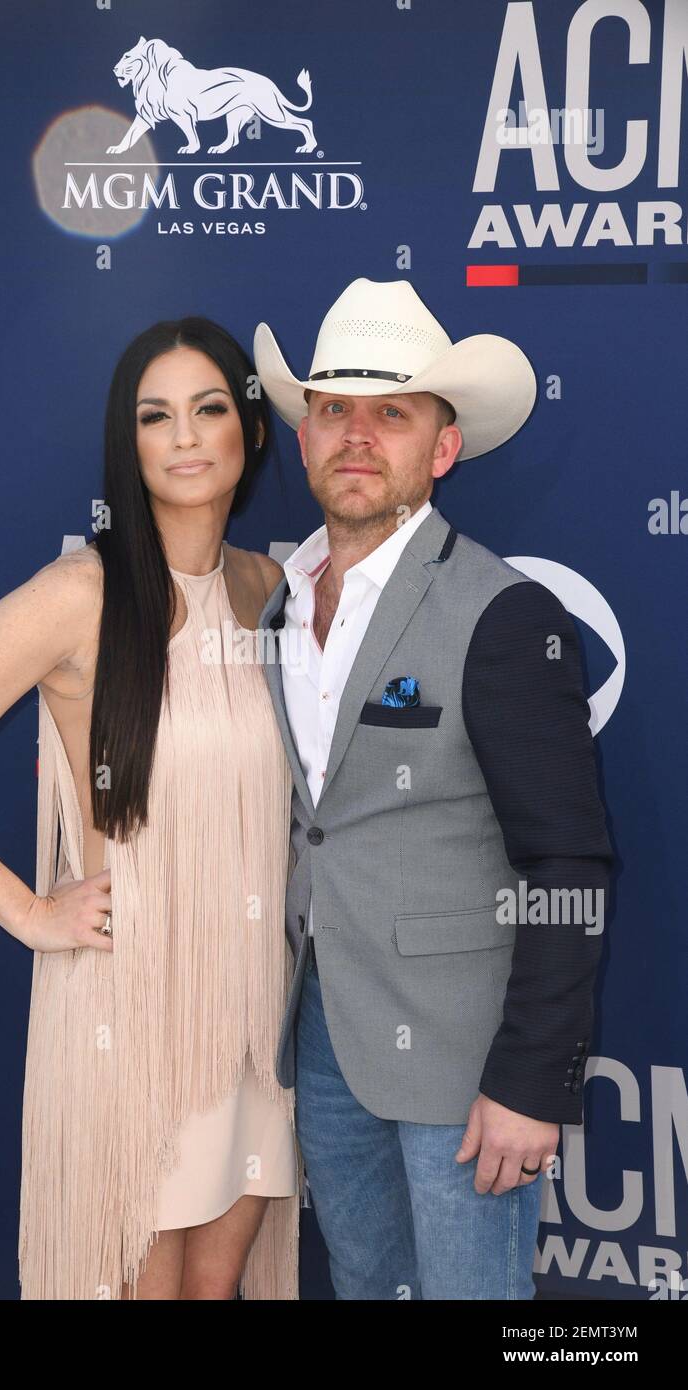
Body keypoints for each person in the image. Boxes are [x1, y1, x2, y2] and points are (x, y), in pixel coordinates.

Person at [0, 316, 303, 1300]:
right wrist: (29, 911)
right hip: (130, 1006)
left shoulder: (269, 589)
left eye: (208, 409)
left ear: (252, 432)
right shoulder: (76, 596)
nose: (184, 437)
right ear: (126, 441)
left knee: (212, 1288)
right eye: (155, 416)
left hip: (252, 1009)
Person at [252, 276, 614, 1300]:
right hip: (323, 1035)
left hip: (464, 1060)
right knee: (365, 1284)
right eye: (332, 410)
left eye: (391, 413)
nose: (355, 435)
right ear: (303, 435)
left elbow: (566, 862)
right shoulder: (278, 603)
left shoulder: (501, 613)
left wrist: (527, 1081)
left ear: (440, 448)